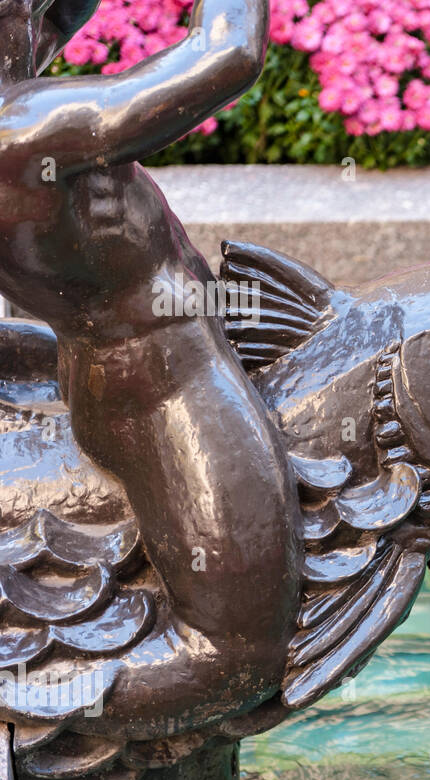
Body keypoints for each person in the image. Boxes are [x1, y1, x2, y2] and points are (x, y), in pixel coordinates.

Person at [0, 0, 301, 669]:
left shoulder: (18, 101)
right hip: (173, 391)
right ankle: (55, 710)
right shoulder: (28, 129)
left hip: (123, 372)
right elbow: (225, 57)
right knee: (242, 650)